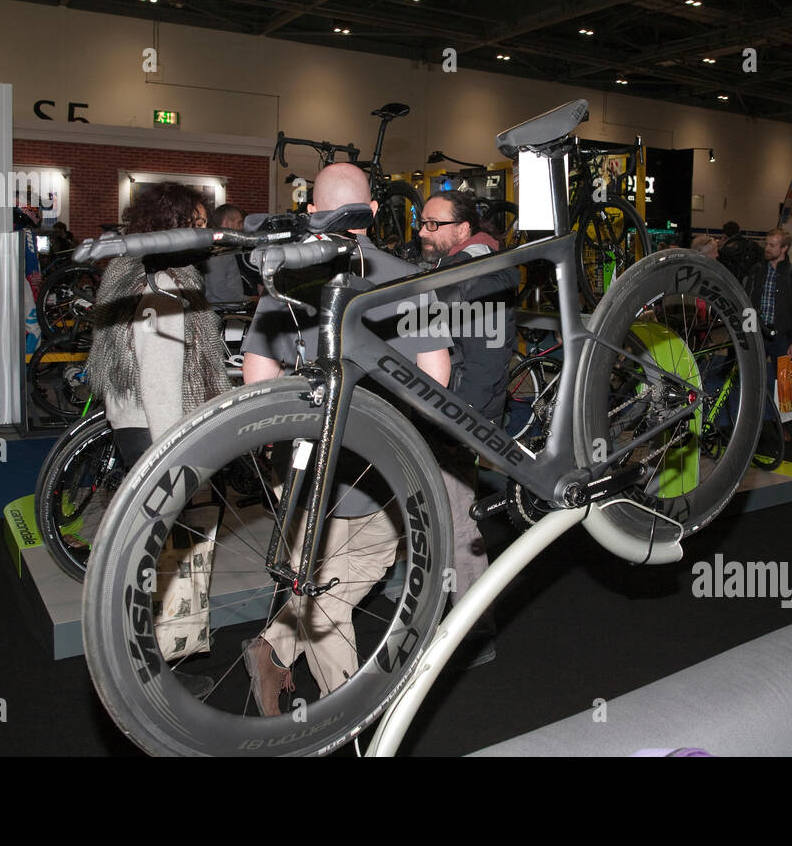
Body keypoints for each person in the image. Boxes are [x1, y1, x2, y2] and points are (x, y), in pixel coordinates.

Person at [239, 162, 451, 715]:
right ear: (374, 212)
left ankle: (273, 648)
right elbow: (439, 379)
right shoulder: (406, 277)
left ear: (312, 213)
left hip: (304, 468)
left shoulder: (285, 278)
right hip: (374, 471)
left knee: (314, 584)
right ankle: (343, 723)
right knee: (335, 595)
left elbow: (257, 372)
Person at [85, 182, 230, 692]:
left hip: (133, 427)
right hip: (161, 433)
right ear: (172, 225)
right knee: (170, 561)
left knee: (152, 557)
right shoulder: (163, 284)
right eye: (196, 222)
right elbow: (162, 378)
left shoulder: (126, 270)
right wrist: (179, 456)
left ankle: (143, 664)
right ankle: (153, 678)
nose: (206, 232)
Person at [416, 189, 519, 666]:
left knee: (460, 528)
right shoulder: (455, 270)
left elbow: (487, 364)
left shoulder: (483, 273)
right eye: (422, 223)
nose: (423, 232)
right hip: (442, 414)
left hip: (455, 417)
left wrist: (459, 423)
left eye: (434, 224)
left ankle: (476, 635)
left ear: (462, 229)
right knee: (449, 524)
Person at [745, 227, 792, 363]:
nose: (767, 248)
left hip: (783, 338)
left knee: (782, 382)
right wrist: (746, 333)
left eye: (772, 245)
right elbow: (748, 302)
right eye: (766, 244)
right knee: (754, 380)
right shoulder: (756, 271)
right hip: (758, 335)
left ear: (784, 248)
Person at [202, 203, 259, 305]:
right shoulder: (219, 251)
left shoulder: (224, 248)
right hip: (225, 312)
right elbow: (218, 289)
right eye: (239, 223)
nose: (242, 228)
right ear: (227, 223)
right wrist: (249, 299)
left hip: (228, 308)